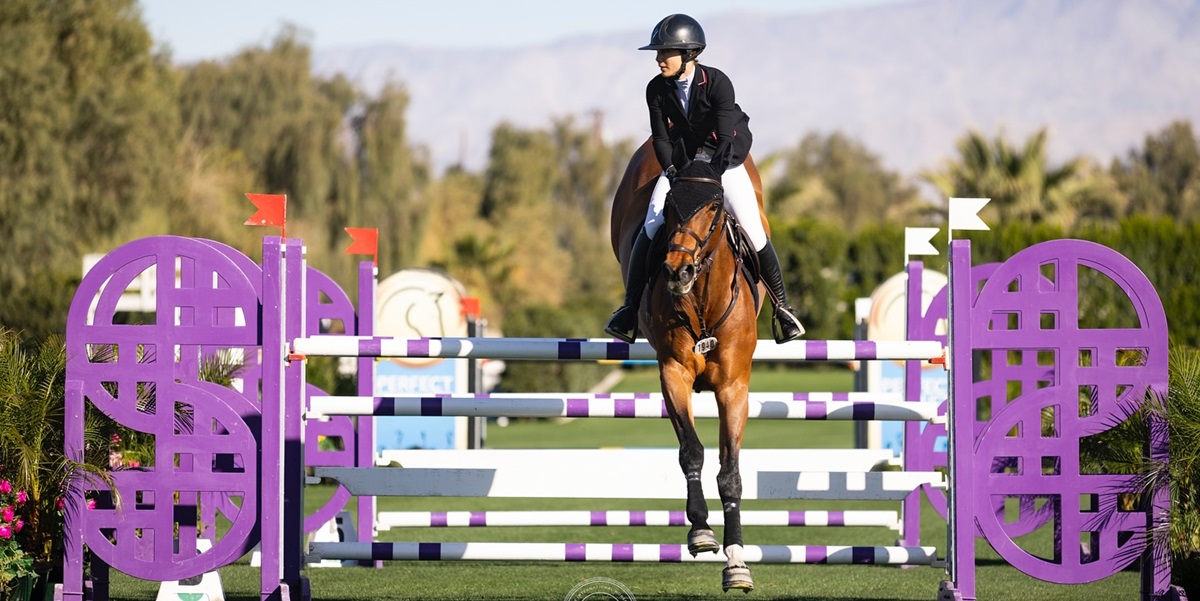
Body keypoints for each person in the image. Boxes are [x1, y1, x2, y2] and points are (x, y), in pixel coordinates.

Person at [605, 13, 806, 345]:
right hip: (683, 165)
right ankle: (628, 308)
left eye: (664, 52)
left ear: (688, 53)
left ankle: (783, 309)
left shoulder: (717, 83)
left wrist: (709, 178)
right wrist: (672, 172)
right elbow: (660, 140)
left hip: (724, 161)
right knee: (652, 224)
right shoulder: (656, 89)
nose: (658, 59)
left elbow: (725, 139)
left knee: (751, 228)